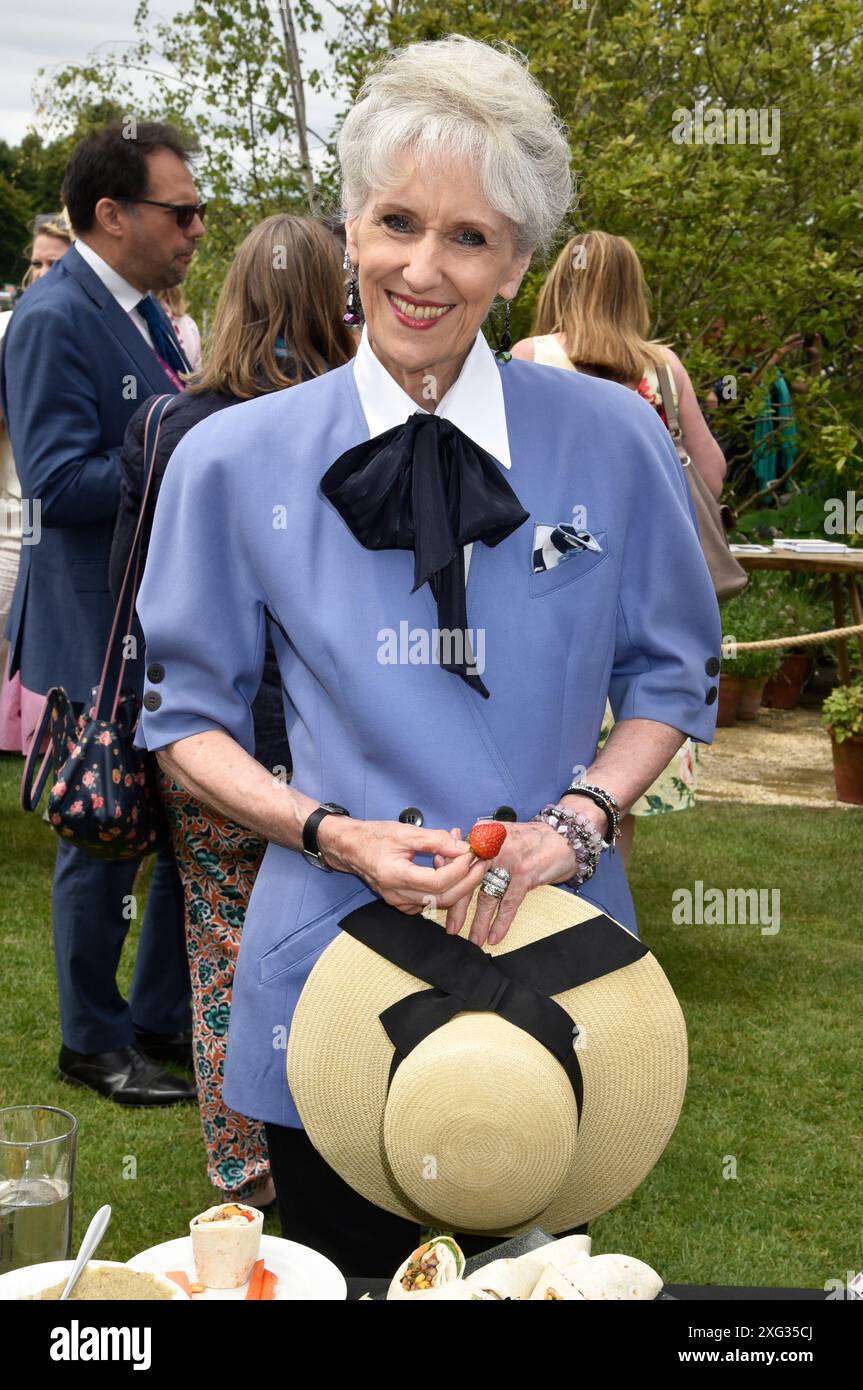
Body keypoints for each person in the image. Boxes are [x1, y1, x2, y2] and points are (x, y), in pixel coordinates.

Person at [134, 34, 722, 1272]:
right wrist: (331, 832)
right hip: (329, 971)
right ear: (348, 224)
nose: (422, 267)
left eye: (469, 236)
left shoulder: (614, 438)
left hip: (556, 964)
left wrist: (581, 815)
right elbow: (182, 717)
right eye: (395, 220)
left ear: (517, 260)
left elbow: (671, 675)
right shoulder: (231, 461)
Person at [109, 214, 356, 1204]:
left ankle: (243, 1166)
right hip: (323, 735)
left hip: (204, 737)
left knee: (221, 950)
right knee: (337, 949)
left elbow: (137, 595)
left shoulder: (172, 423)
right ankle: (345, 1139)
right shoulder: (355, 424)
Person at [0, 121, 206, 1106]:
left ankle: (159, 1019)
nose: (196, 228)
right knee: (101, 828)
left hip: (148, 613)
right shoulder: (52, 317)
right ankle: (91, 1038)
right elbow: (50, 480)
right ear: (111, 213)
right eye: (181, 210)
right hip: (92, 618)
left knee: (174, 818)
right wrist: (171, 452)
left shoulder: (146, 310)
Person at [513, 229, 728, 864]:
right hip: (643, 579)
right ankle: (605, 894)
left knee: (556, 735)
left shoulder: (533, 354)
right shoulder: (662, 365)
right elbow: (710, 470)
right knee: (626, 749)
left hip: (555, 568)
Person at [0, 213, 74, 754]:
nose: (43, 271)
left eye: (55, 261)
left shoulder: (70, 322)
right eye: (37, 262)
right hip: (10, 511)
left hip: (44, 519)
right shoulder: (14, 324)